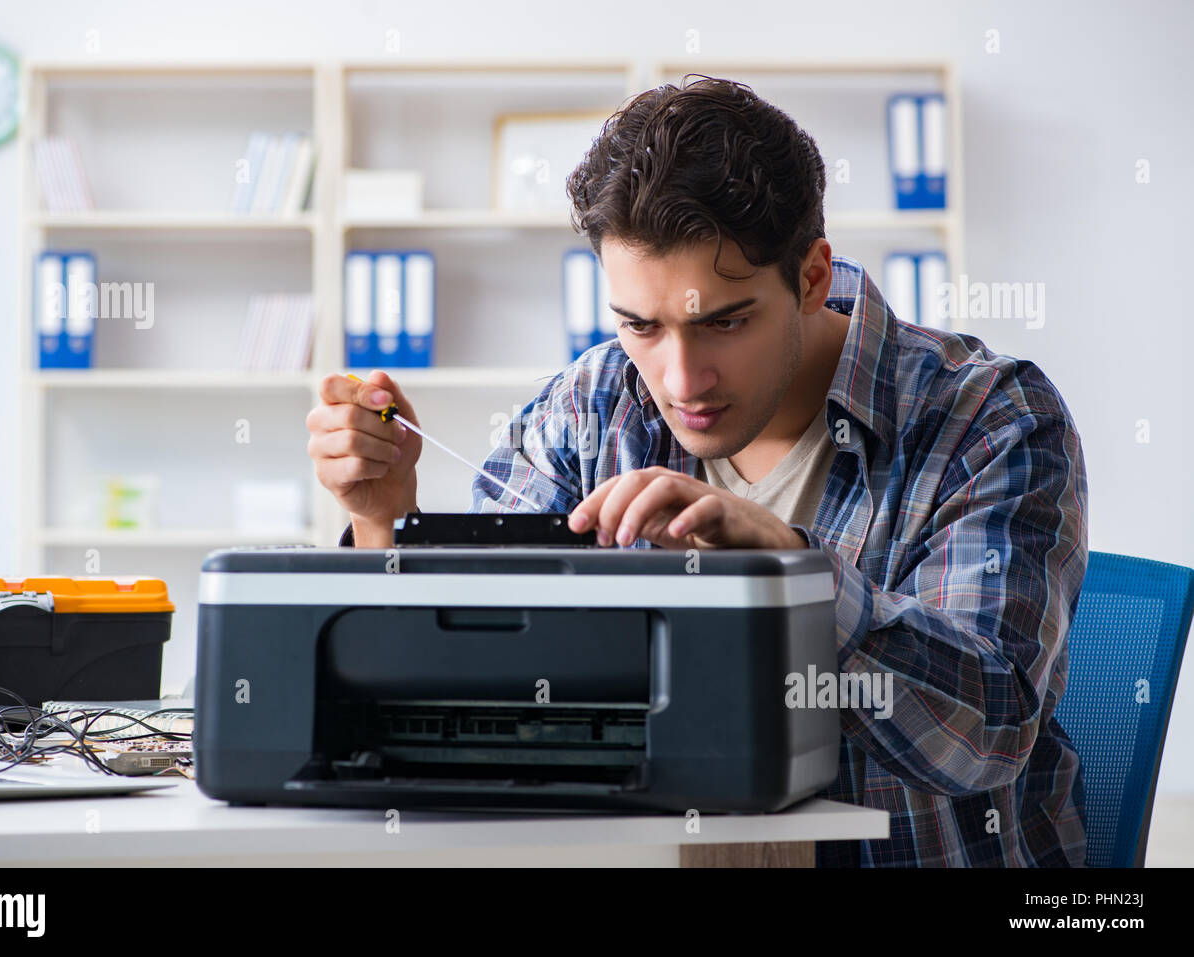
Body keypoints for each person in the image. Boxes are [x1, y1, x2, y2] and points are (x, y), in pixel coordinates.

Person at [305, 76, 1088, 867]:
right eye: (641, 325)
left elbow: (987, 734)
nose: (681, 381)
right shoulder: (594, 402)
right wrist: (382, 521)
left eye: (724, 322)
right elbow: (467, 686)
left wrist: (791, 573)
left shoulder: (989, 418)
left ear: (812, 277)